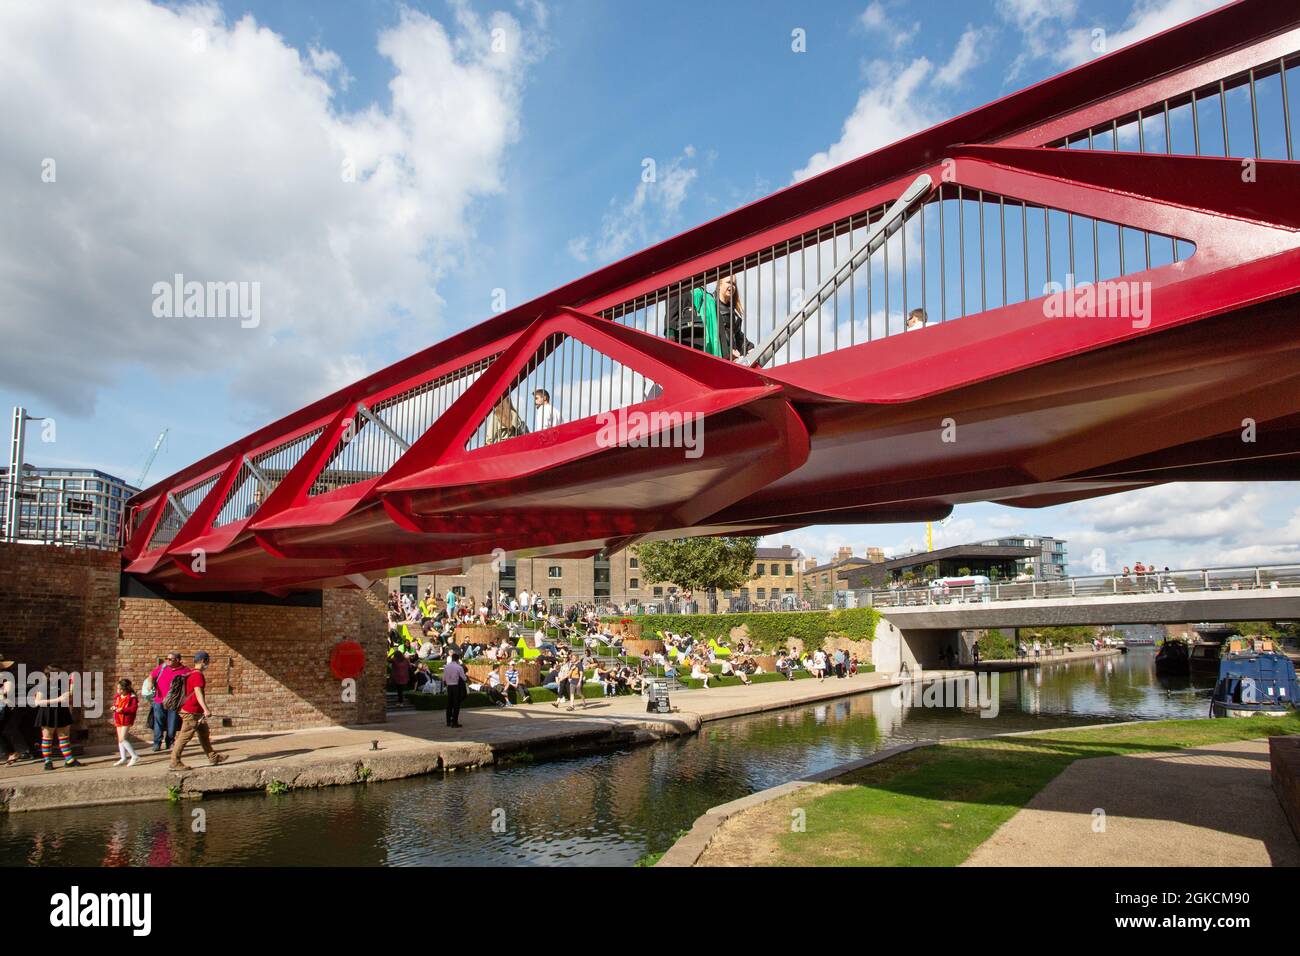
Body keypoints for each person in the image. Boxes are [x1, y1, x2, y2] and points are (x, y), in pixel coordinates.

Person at [665, 274, 754, 360]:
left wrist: (749, 349)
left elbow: (737, 336)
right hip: (695, 344)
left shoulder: (714, 303)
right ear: (719, 285)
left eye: (734, 284)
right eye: (729, 282)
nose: (732, 286)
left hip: (720, 352)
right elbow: (672, 311)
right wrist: (670, 336)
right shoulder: (709, 300)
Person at [169, 652, 227, 770]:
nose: (208, 664)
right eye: (207, 661)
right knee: (185, 736)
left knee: (204, 733)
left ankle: (213, 757)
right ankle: (175, 762)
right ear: (203, 661)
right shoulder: (197, 675)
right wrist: (206, 709)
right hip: (191, 711)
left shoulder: (191, 673)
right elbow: (198, 692)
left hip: (195, 711)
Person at [32, 663, 80, 770]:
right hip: (47, 712)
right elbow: (37, 702)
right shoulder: (43, 685)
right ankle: (48, 762)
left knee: (63, 736)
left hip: (61, 711)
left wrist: (70, 693)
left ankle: (69, 760)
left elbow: (67, 697)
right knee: (47, 738)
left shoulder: (63, 684)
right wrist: (58, 700)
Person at [147, 652, 188, 752]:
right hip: (159, 699)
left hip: (174, 701)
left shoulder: (185, 670)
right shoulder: (162, 667)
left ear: (177, 660)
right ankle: (157, 743)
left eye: (170, 659)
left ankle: (170, 742)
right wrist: (150, 684)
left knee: (172, 723)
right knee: (159, 721)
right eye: (167, 658)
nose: (167, 661)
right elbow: (151, 676)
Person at [111, 678, 141, 767]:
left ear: (126, 689)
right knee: (120, 739)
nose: (118, 691)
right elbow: (116, 704)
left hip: (126, 719)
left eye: (120, 689)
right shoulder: (118, 697)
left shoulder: (132, 697)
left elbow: (133, 709)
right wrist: (114, 708)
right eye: (118, 689)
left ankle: (134, 756)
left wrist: (123, 710)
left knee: (122, 738)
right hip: (118, 718)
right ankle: (123, 757)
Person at [443, 653, 467, 728]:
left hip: (449, 686)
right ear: (457, 659)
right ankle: (454, 722)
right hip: (456, 686)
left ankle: (448, 722)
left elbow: (444, 678)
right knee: (456, 705)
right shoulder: (458, 667)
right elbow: (464, 678)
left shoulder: (446, 667)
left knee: (449, 704)